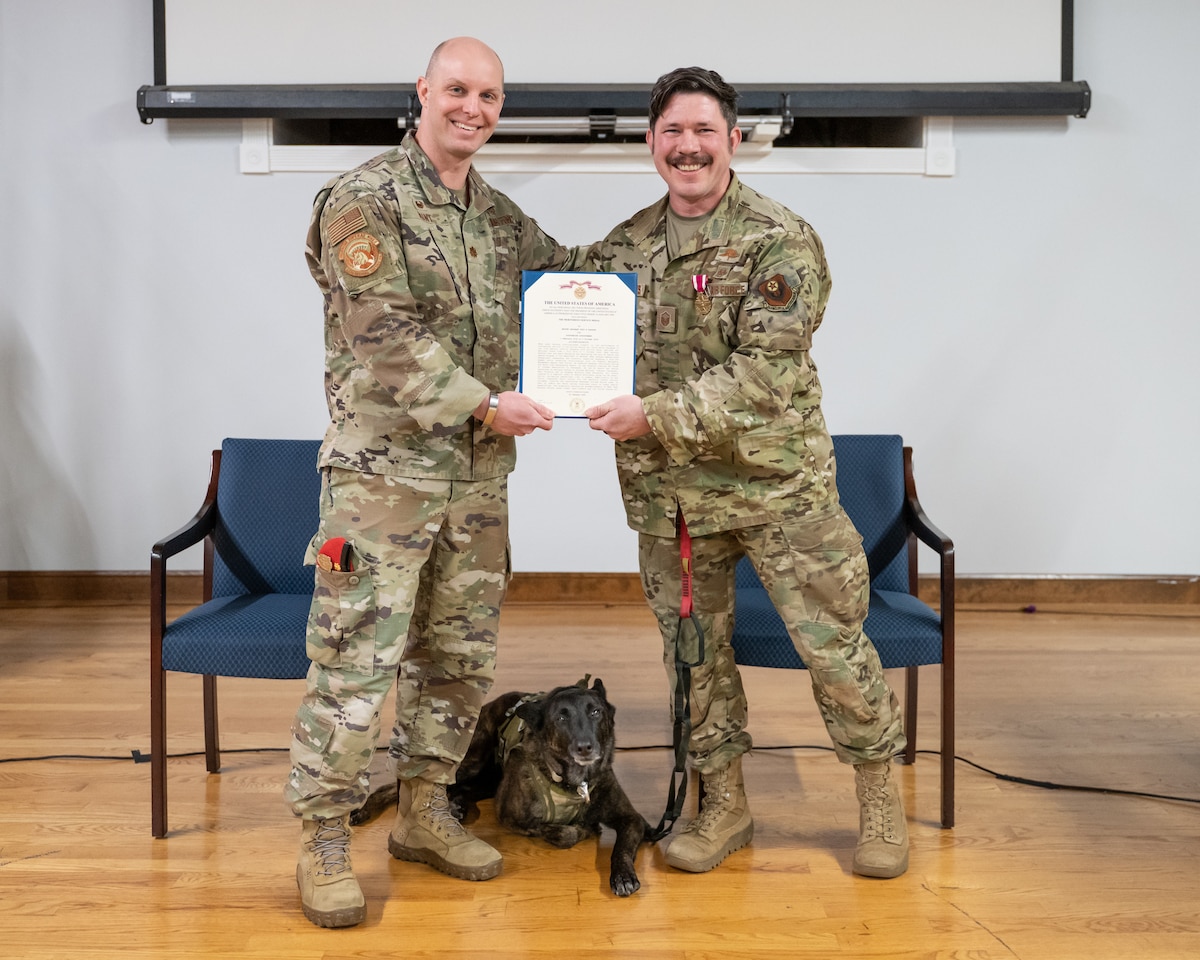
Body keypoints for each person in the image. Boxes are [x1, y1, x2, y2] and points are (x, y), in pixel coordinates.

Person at [584, 67, 909, 879]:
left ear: (733, 139)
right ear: (651, 142)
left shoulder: (777, 240)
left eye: (704, 131)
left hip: (779, 492)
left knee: (833, 647)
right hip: (675, 500)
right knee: (694, 659)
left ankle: (878, 794)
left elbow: (766, 374)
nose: (687, 146)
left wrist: (653, 416)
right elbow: (573, 326)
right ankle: (723, 803)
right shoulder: (623, 249)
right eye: (672, 131)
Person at [285, 36, 572, 928]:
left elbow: (568, 285)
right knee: (356, 661)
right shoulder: (363, 200)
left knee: (456, 659)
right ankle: (325, 839)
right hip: (383, 483)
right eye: (457, 89)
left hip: (476, 485)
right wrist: (487, 404)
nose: (472, 108)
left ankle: (424, 809)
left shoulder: (497, 217)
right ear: (422, 91)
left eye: (488, 95)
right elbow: (384, 334)